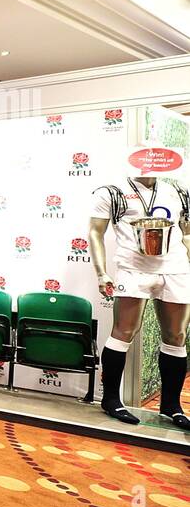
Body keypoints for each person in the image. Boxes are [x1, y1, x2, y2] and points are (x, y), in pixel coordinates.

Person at [90, 172, 190, 429]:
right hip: (133, 268)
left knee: (176, 336)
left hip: (175, 268)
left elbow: (186, 231)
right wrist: (102, 273)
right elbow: (95, 232)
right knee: (124, 332)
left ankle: (171, 406)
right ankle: (111, 399)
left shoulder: (177, 191)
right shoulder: (112, 191)